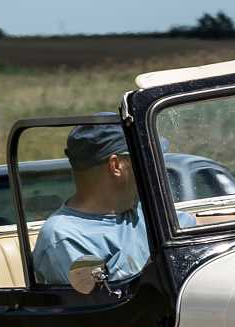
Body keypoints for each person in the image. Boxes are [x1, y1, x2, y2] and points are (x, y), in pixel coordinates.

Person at [30, 123, 161, 289]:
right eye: (142, 159)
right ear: (116, 166)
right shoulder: (65, 238)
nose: (150, 167)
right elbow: (108, 308)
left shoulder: (141, 209)